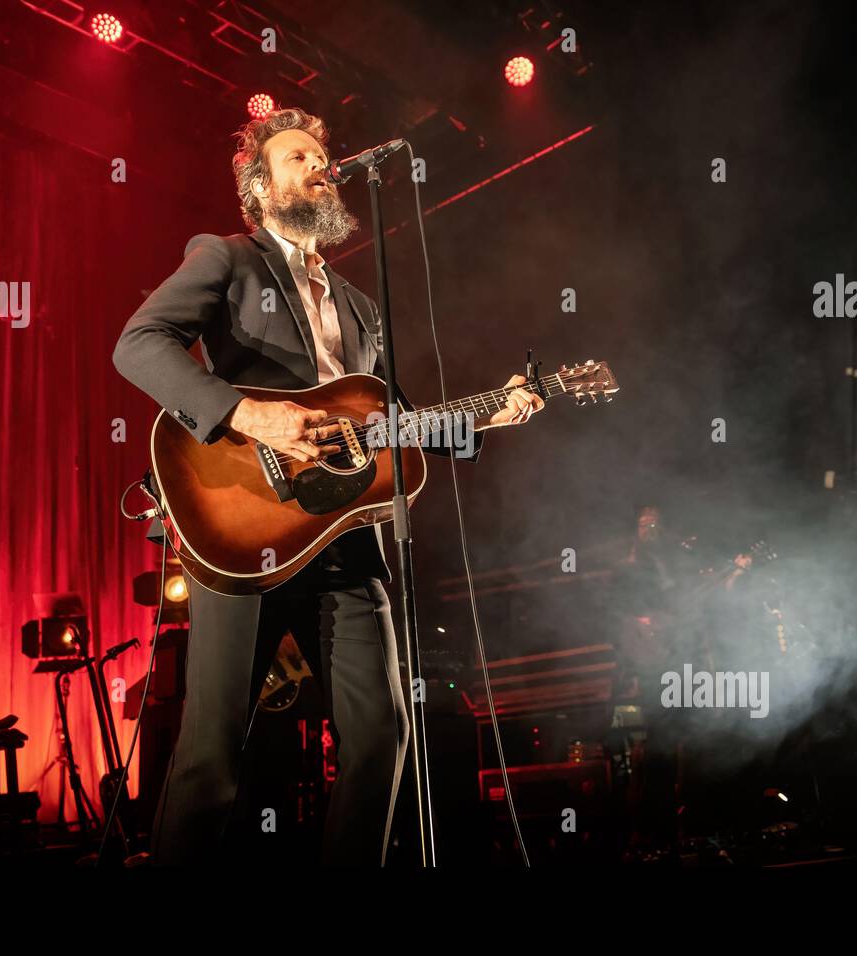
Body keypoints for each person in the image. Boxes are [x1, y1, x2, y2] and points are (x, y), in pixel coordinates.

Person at [112, 107, 543, 865]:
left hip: (341, 540)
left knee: (383, 733)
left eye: (320, 153)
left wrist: (490, 416)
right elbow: (138, 345)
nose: (318, 163)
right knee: (214, 752)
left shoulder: (360, 307)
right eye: (296, 156)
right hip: (243, 523)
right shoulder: (227, 258)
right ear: (260, 187)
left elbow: (387, 426)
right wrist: (249, 415)